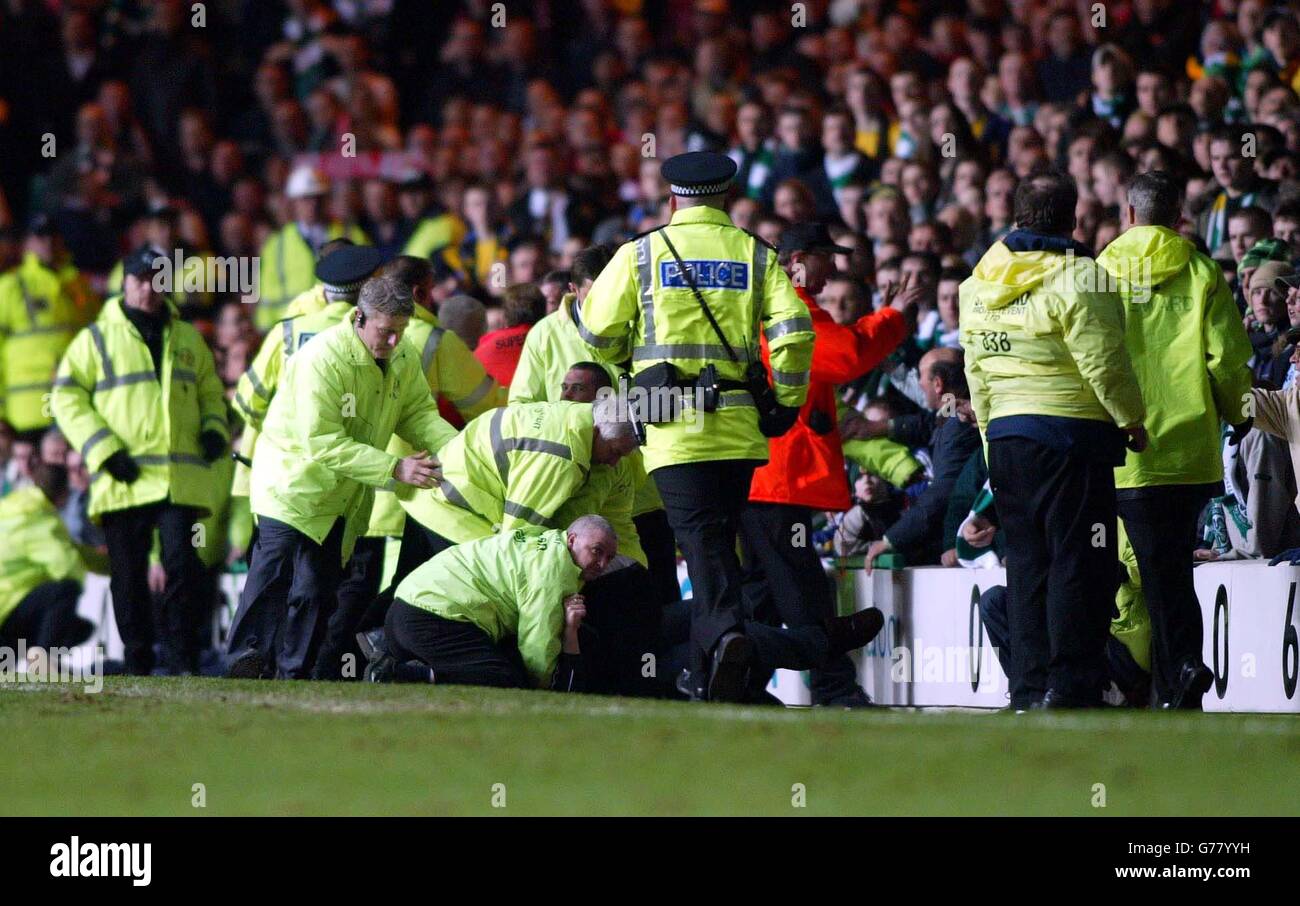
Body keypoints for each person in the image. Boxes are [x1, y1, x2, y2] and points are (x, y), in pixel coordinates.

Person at [579, 150, 815, 702]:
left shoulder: (640, 253)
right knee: (717, 549)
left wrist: (627, 359)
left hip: (673, 431)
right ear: (726, 198)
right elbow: (796, 334)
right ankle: (717, 676)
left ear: (672, 200)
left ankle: (731, 641)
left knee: (705, 550)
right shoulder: (756, 254)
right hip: (738, 431)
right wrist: (786, 401)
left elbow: (595, 332)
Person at [961, 172, 1147, 710]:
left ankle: (1026, 688)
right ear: (1073, 219)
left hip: (1010, 439)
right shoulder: (1082, 277)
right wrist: (1131, 420)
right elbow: (1103, 361)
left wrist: (991, 434)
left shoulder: (977, 283)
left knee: (1026, 565)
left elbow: (978, 370)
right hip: (1073, 437)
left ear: (1018, 217)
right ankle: (1070, 687)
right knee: (1080, 563)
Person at [226, 275, 457, 679]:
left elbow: (418, 414)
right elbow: (323, 442)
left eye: (400, 333)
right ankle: (245, 663)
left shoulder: (399, 358)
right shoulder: (321, 359)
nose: (394, 342)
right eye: (386, 332)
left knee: (317, 589)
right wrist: (395, 468)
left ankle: (293, 675)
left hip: (339, 494)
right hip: (291, 485)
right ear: (358, 317)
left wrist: (458, 452)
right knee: (273, 579)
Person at [1096, 170, 1255, 709]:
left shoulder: (1099, 273)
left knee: (1154, 571)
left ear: (1129, 215)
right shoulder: (1203, 271)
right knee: (1170, 567)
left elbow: (1087, 355)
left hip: (1125, 451)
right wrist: (1241, 415)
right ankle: (1179, 678)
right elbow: (1227, 359)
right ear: (1178, 215)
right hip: (1188, 451)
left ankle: (1175, 675)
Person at [741, 222, 909, 707]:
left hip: (760, 473)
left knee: (761, 592)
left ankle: (737, 684)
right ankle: (835, 688)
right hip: (778, 475)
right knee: (803, 587)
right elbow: (846, 356)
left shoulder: (763, 305)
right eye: (824, 257)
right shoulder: (788, 308)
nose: (834, 269)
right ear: (796, 260)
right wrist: (894, 318)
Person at [52, 246, 230, 675]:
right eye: (140, 279)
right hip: (124, 475)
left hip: (177, 479)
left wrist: (214, 429)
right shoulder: (95, 339)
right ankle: (137, 659)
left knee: (183, 567)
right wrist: (103, 450)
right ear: (124, 283)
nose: (149, 288)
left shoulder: (187, 336)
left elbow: (209, 391)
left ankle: (181, 657)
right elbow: (64, 396)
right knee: (129, 577)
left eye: (157, 279)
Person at [232, 244, 385, 497]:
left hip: (285, 477)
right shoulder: (383, 338)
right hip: (351, 481)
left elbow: (248, 400)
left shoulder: (290, 329)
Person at [864, 348, 981, 568]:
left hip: (963, 542)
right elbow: (930, 425)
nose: (918, 384)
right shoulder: (952, 412)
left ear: (937, 384)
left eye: (920, 376)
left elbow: (943, 492)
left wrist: (891, 540)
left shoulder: (960, 424)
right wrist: (881, 427)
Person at [0, 216, 88, 438]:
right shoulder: (11, 286)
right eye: (40, 236)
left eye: (52, 236)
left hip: (74, 405)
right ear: (27, 242)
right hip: (25, 411)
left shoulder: (76, 284)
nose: (47, 242)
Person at [255, 166, 369, 330]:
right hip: (291, 329)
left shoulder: (353, 235)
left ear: (327, 199)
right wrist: (267, 331)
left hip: (340, 328)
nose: (313, 204)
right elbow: (266, 298)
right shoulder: (276, 244)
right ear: (294, 202)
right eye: (306, 199)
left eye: (318, 198)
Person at [0, 460, 94, 656]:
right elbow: (67, 566)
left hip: (8, 609)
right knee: (66, 589)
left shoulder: (11, 504)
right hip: (7, 611)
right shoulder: (38, 515)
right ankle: (44, 660)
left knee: (80, 627)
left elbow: (67, 549)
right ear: (63, 493)